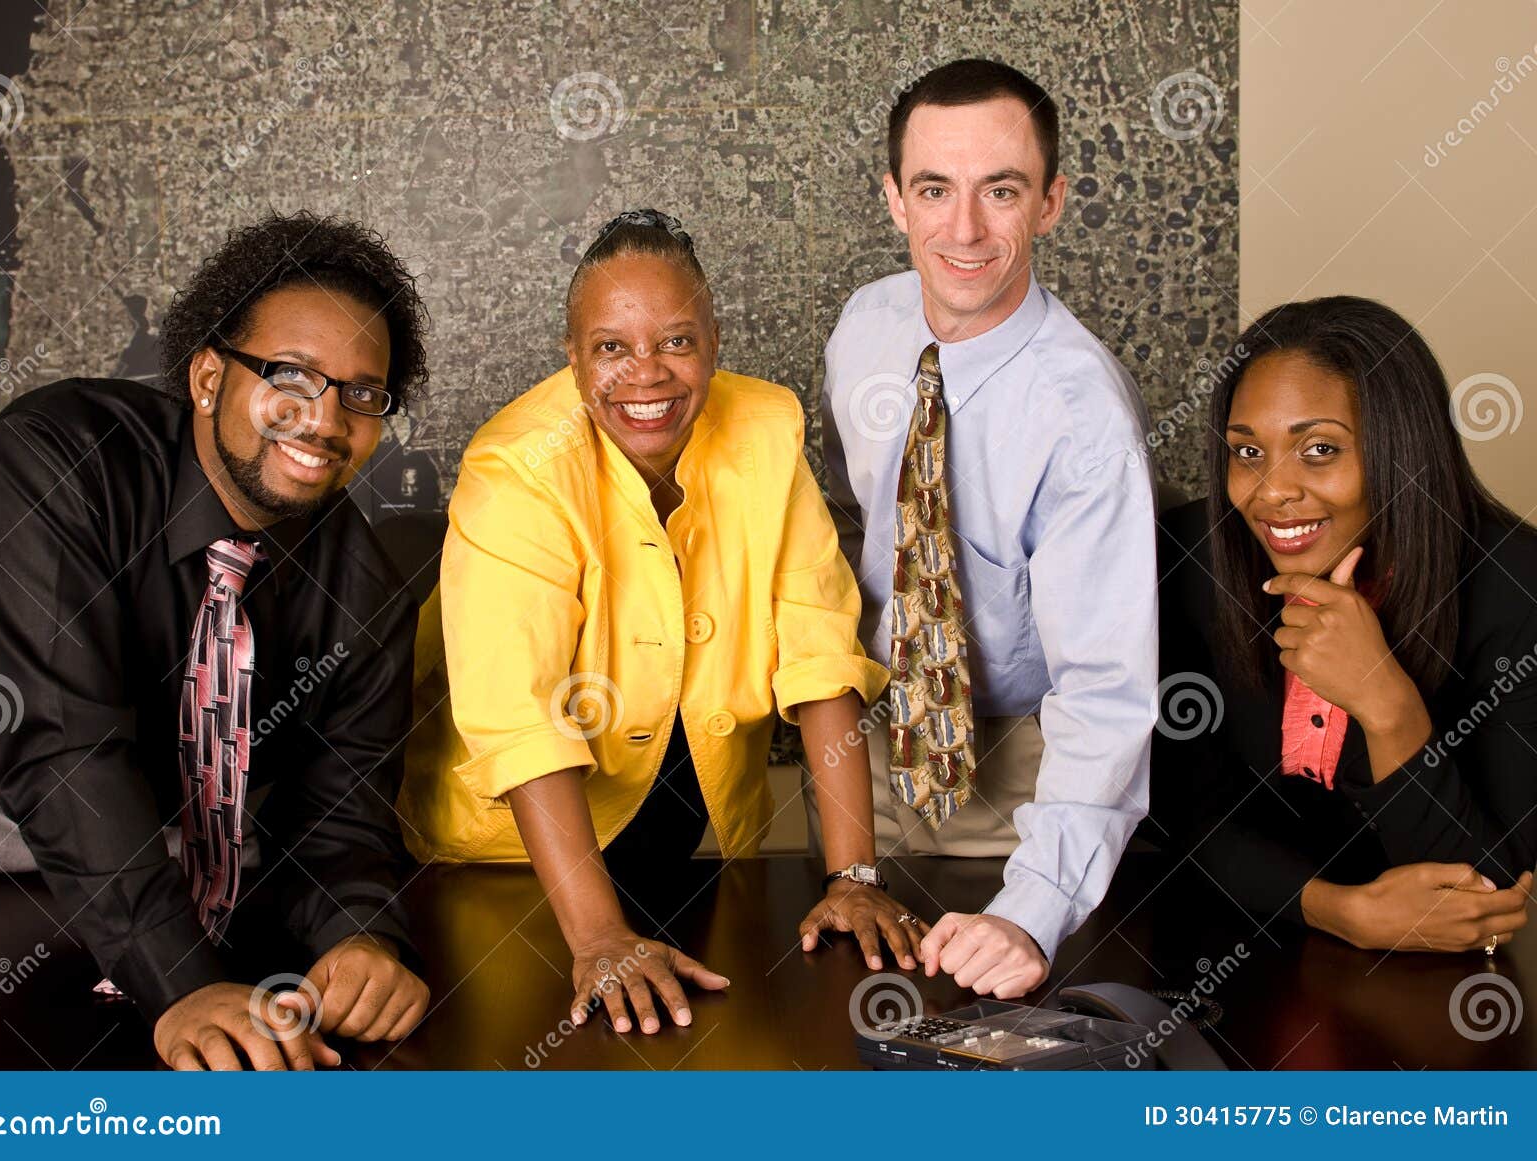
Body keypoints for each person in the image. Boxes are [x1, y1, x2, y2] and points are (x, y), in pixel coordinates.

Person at [400, 209, 924, 1035]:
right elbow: (521, 718)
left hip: (697, 847)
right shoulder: (515, 469)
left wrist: (852, 875)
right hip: (509, 868)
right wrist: (601, 935)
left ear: (714, 338)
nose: (646, 374)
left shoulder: (765, 427)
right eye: (611, 346)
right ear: (573, 359)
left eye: (676, 340)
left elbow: (821, 646)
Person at [0, 212, 431, 1069]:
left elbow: (340, 812)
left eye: (361, 393)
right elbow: (59, 747)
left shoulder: (364, 583)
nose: (323, 419)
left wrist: (363, 939)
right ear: (208, 376)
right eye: (290, 374)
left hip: (167, 826)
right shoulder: (59, 458)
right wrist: (181, 983)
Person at [821, 58, 1157, 999]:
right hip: (869, 756)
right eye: (935, 188)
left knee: (991, 1041)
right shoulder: (864, 328)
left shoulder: (1085, 416)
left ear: (1049, 202)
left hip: (1024, 779)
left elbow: (1106, 689)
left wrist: (1031, 907)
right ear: (894, 199)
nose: (963, 230)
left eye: (1000, 191)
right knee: (846, 1035)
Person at [1155, 295, 1535, 953]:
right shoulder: (1189, 558)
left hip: (1441, 996)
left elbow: (1483, 899)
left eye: (1319, 449)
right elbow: (1188, 819)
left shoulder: (1516, 586)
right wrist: (1341, 912)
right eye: (1247, 452)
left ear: (1401, 449)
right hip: (1231, 945)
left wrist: (1386, 704)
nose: (1271, 491)